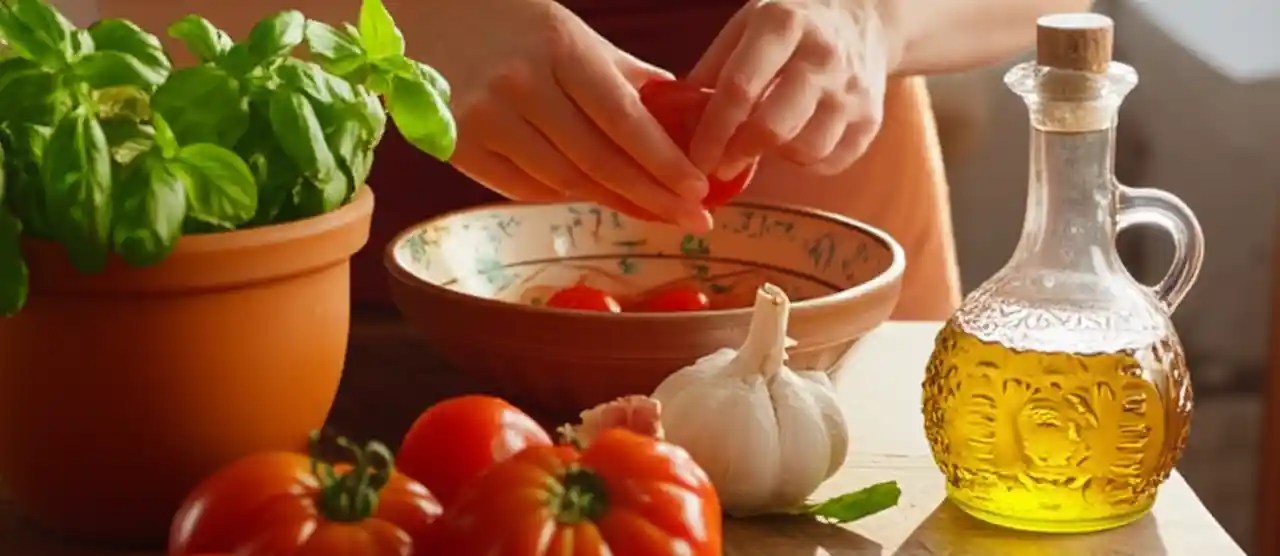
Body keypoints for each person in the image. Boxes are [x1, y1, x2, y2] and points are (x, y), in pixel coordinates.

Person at [113, 0, 1093, 319]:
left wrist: (870, 20)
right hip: (370, 225)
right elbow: (106, 19)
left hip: (808, 241)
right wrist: (399, 18)